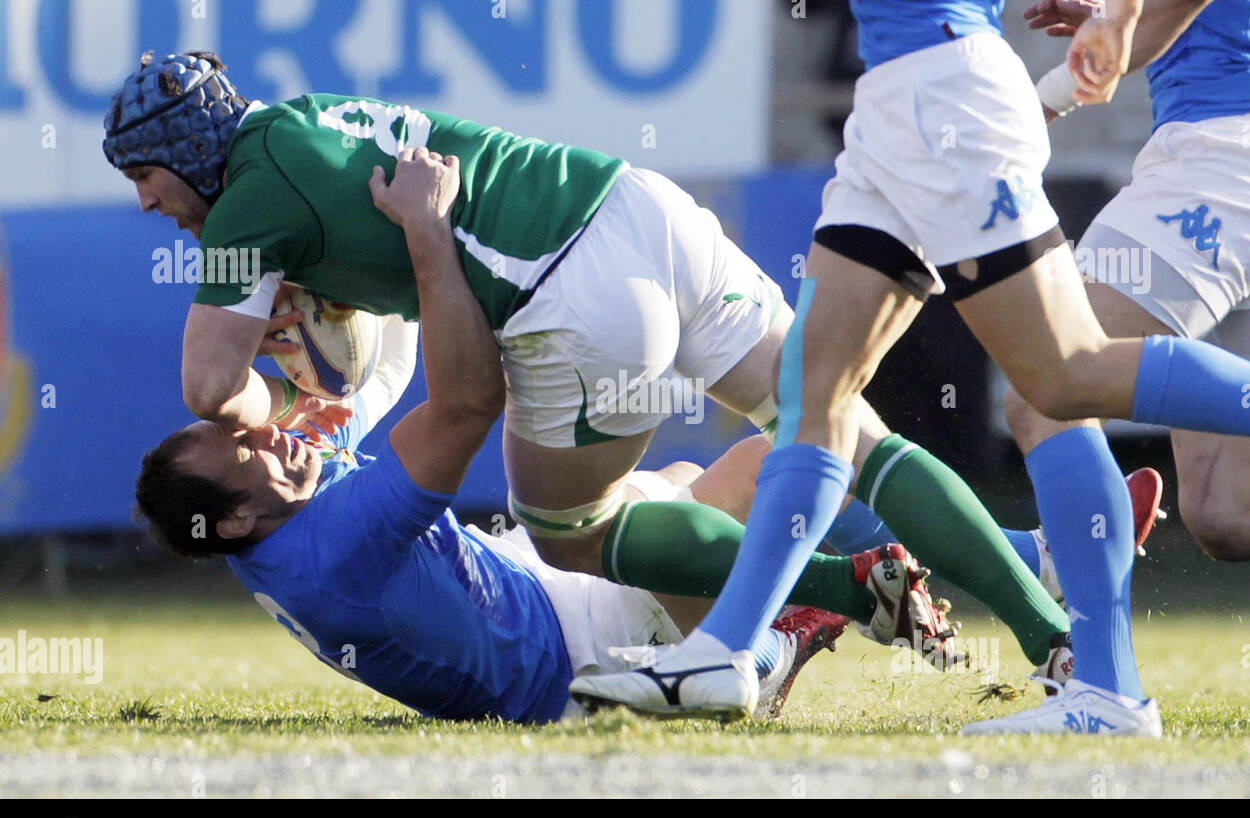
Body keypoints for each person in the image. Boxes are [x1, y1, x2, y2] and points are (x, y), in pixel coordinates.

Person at [104, 49, 1087, 686]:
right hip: (635, 202)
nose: (147, 202)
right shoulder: (297, 124)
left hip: (569, 293)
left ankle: (841, 584)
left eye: (144, 176)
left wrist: (273, 398)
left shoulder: (242, 212)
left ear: (184, 151)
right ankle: (1052, 624)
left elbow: (205, 386)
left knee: (571, 530)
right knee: (846, 435)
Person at [569, 0, 1250, 735]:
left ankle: (1108, 691)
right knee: (814, 392)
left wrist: (1113, 25)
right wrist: (1091, 44)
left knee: (1062, 379)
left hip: (947, 86)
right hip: (899, 94)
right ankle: (724, 653)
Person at [133, 148, 952, 724]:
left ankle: (829, 601)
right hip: (573, 653)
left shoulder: (265, 523)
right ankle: (791, 631)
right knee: (768, 462)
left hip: (522, 581)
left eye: (254, 433)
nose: (271, 436)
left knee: (713, 468)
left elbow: (375, 382)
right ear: (234, 519)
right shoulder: (337, 539)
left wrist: (341, 287)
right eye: (249, 451)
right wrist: (425, 234)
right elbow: (467, 400)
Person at [1005, 0, 1250, 568]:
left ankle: (1088, 653)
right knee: (1233, 512)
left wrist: (1058, 84)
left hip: (1230, 157)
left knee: (1046, 382)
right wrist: (1110, 19)